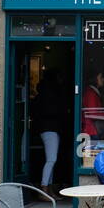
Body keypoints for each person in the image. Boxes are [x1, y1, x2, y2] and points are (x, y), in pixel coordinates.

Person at [31, 71, 66, 200]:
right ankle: (44, 189)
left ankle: (48, 190)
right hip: (49, 128)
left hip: (48, 128)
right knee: (51, 159)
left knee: (51, 159)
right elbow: (53, 111)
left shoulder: (43, 95)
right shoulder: (50, 95)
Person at [81, 70, 104, 140]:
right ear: (94, 79)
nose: (103, 79)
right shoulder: (91, 93)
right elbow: (93, 113)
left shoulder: (92, 92)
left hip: (92, 129)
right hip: (92, 130)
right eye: (101, 77)